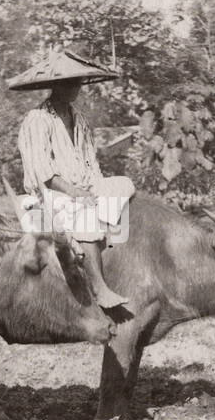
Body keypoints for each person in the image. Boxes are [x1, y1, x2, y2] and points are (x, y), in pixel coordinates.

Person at [10, 48, 136, 312]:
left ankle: (114, 252)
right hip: (51, 192)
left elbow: (91, 163)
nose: (75, 88)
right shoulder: (38, 119)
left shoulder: (78, 118)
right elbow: (43, 172)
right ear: (54, 85)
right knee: (85, 216)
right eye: (68, 83)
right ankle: (100, 288)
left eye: (77, 82)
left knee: (125, 185)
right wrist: (76, 193)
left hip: (83, 185)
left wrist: (95, 188)